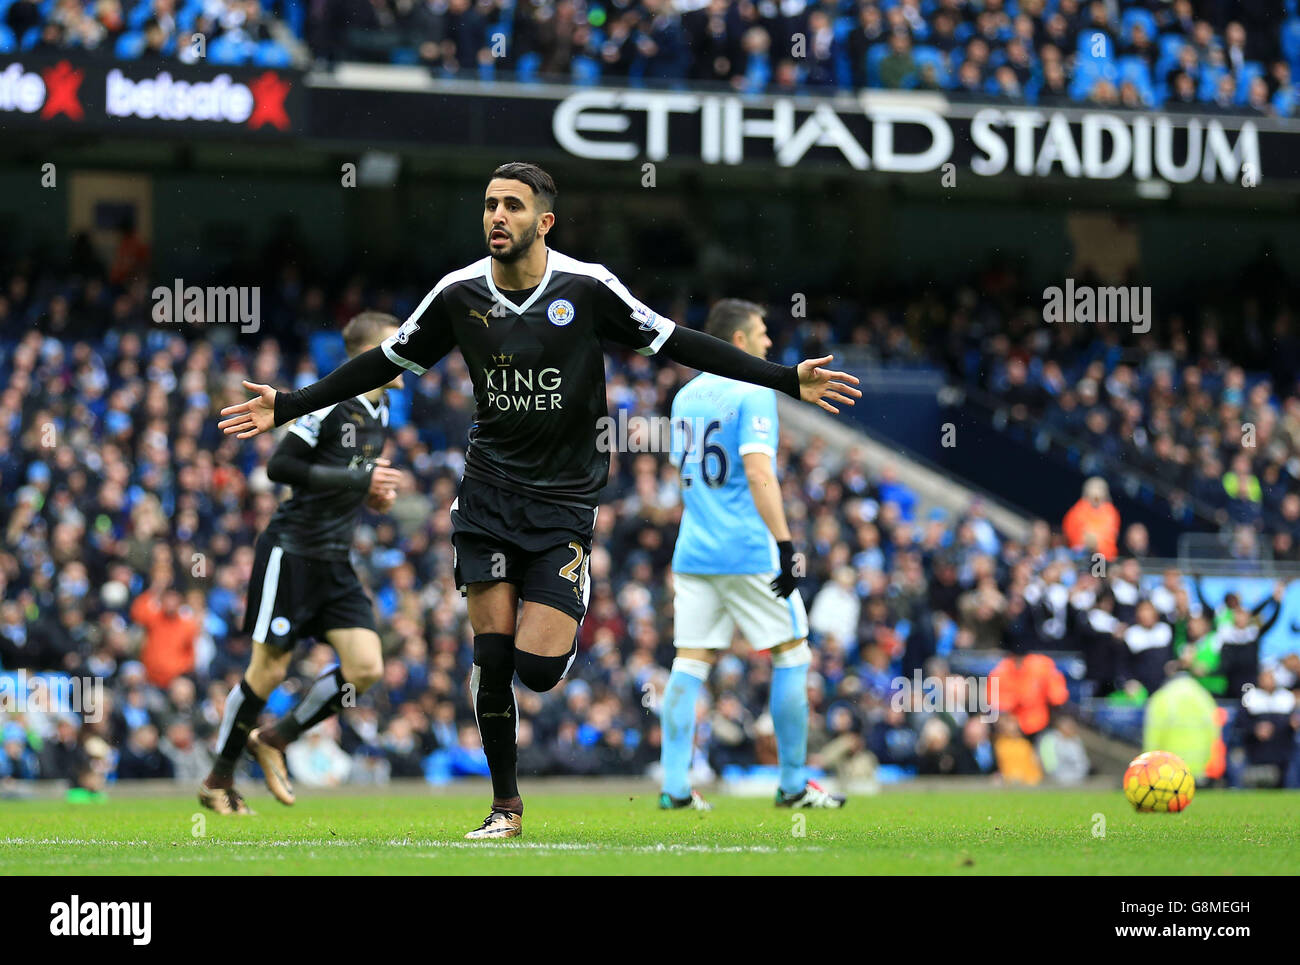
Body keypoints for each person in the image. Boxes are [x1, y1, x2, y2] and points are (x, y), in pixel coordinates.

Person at [218, 162, 860, 839]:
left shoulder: (587, 288)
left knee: (539, 670)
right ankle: (505, 807)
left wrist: (785, 378)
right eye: (491, 204)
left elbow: (679, 341)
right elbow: (383, 362)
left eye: (513, 206)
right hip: (487, 497)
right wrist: (291, 402)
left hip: (563, 506)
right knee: (490, 657)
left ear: (543, 222)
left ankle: (565, 606)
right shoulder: (457, 294)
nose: (498, 216)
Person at [198, 312, 406, 815]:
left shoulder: (381, 411)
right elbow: (281, 466)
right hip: (291, 553)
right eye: (393, 343)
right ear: (365, 357)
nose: (405, 350)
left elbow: (345, 477)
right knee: (268, 672)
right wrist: (360, 483)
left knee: (367, 667)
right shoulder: (332, 404)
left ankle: (276, 738)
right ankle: (218, 780)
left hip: (335, 560)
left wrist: (370, 497)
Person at [658, 298, 844, 811]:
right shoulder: (754, 391)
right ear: (738, 340)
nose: (769, 343)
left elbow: (685, 474)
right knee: (791, 653)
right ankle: (791, 784)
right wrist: (786, 545)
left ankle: (674, 786)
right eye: (761, 333)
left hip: (694, 551)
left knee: (690, 662)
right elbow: (759, 473)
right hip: (747, 550)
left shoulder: (685, 396)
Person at [1062, 476, 1120, 561]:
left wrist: (1098, 543)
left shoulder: (1111, 512)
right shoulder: (1077, 511)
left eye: (1100, 488)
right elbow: (1070, 532)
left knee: (1101, 569)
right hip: (1081, 555)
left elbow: (1112, 535)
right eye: (1094, 488)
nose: (1097, 492)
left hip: (1104, 557)